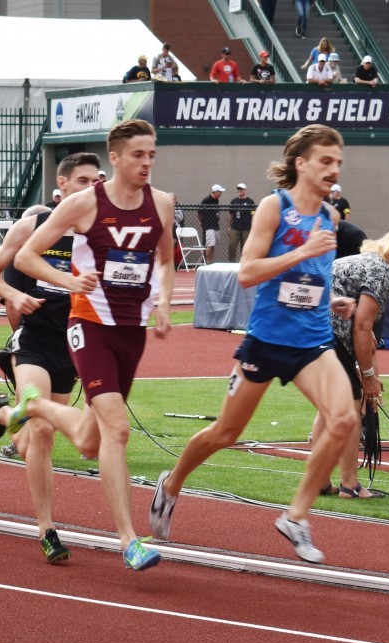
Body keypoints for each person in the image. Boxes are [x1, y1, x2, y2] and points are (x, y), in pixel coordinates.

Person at [148, 124, 359, 565]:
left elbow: (311, 277)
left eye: (338, 162)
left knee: (342, 419)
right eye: (325, 161)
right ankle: (171, 483)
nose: (333, 170)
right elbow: (247, 272)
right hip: (266, 340)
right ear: (301, 163)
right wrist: (301, 253)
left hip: (312, 341)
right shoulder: (273, 206)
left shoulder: (330, 218)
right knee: (227, 432)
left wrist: (331, 298)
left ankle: (296, 516)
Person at [3, 119, 176, 572]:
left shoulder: (162, 203)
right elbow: (25, 256)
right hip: (90, 324)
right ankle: (128, 540)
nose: (146, 163)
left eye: (152, 154)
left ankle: (34, 408)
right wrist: (70, 280)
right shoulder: (83, 205)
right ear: (114, 158)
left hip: (131, 330)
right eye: (138, 154)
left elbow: (164, 259)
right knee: (117, 429)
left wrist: (163, 302)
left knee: (87, 439)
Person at [0, 151, 101, 562]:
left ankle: (2, 415)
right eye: (83, 180)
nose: (92, 187)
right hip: (35, 340)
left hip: (76, 342)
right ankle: (47, 529)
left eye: (96, 180)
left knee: (33, 432)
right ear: (61, 186)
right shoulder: (32, 226)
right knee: (44, 430)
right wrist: (15, 294)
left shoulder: (100, 231)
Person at [316, 229, 389, 499]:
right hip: (326, 333)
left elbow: (367, 337)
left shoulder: (366, 263)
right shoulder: (380, 270)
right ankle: (350, 485)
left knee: (330, 407)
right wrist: (367, 378)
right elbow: (362, 326)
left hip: (310, 330)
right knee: (351, 405)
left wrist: (367, 373)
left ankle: (320, 480)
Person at [228, 183, 256, 262]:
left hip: (246, 228)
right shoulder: (234, 201)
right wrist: (229, 227)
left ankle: (243, 262)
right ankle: (231, 263)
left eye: (241, 189)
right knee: (232, 245)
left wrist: (253, 227)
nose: (239, 190)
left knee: (245, 247)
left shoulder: (250, 201)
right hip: (235, 227)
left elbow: (253, 215)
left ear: (245, 190)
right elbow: (230, 214)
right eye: (238, 189)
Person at [200, 184, 224, 263]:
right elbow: (199, 212)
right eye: (220, 192)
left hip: (215, 225)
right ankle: (201, 262)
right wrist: (202, 222)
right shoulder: (206, 200)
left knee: (213, 245)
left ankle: (209, 262)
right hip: (209, 226)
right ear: (215, 192)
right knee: (209, 245)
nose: (221, 193)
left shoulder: (216, 200)